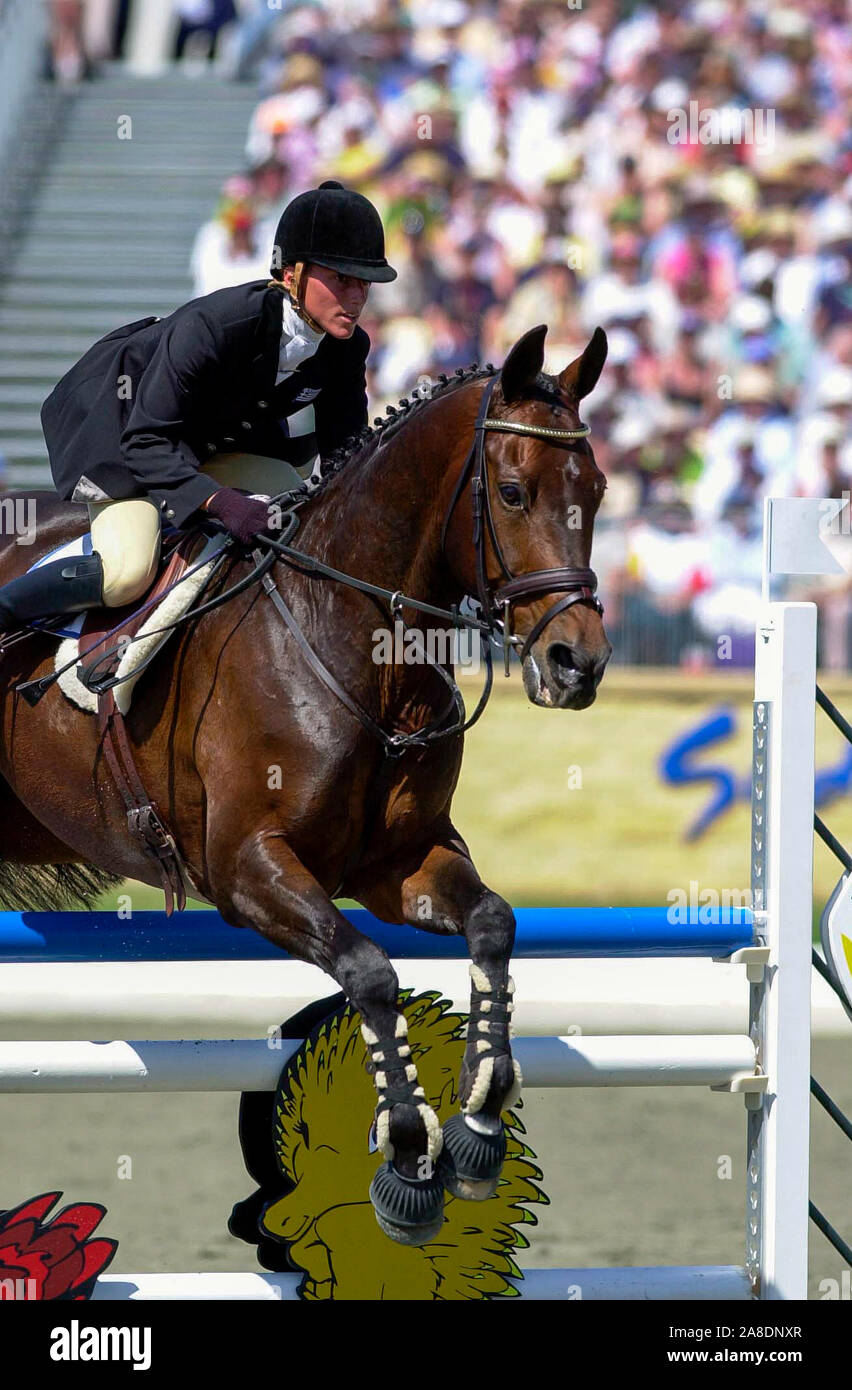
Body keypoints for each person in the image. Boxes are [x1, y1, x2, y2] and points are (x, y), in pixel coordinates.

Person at [0, 181, 396, 634]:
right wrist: (220, 501)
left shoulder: (345, 348)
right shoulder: (215, 326)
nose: (356, 297)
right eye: (342, 279)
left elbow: (349, 455)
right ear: (292, 273)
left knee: (293, 501)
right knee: (127, 572)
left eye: (364, 282)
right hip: (120, 433)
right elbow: (146, 443)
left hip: (203, 441)